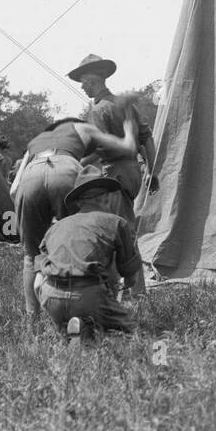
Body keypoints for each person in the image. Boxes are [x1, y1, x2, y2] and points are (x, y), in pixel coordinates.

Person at [12, 115, 138, 322]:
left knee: (30, 256)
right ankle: (99, 305)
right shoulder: (83, 128)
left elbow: (14, 189)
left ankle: (32, 322)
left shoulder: (37, 141)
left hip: (30, 176)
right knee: (86, 236)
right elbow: (128, 147)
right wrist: (129, 128)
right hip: (65, 170)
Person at [68, 53, 158, 301]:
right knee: (122, 227)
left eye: (84, 82)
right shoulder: (125, 105)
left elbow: (99, 149)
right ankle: (127, 288)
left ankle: (134, 291)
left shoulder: (98, 110)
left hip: (113, 174)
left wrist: (75, 162)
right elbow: (146, 138)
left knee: (120, 231)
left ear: (94, 80)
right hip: (132, 173)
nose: (83, 87)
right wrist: (152, 170)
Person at [32, 166, 140, 345]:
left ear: (79, 201)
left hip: (51, 294)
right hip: (87, 294)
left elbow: (37, 283)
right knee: (129, 333)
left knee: (83, 332)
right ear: (106, 197)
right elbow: (130, 277)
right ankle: (89, 327)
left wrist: (50, 306)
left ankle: (71, 329)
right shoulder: (116, 223)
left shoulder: (55, 228)